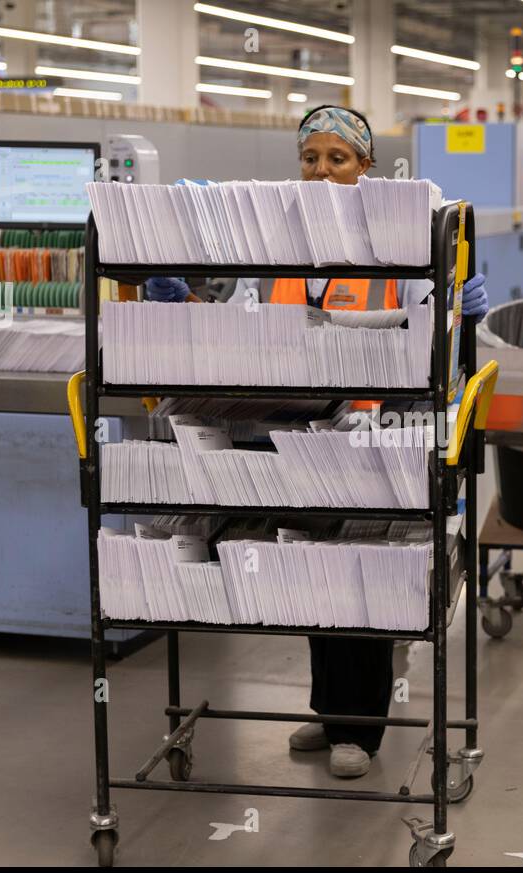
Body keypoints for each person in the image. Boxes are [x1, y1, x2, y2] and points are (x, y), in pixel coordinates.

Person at [144, 104, 489, 778]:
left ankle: (358, 730)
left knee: (355, 582)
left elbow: (435, 329)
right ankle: (329, 711)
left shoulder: (403, 236)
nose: (322, 170)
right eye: (310, 158)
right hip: (294, 436)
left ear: (367, 166)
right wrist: (180, 302)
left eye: (338, 157)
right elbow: (238, 328)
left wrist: (460, 295)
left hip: (376, 440)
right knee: (309, 574)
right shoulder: (273, 242)